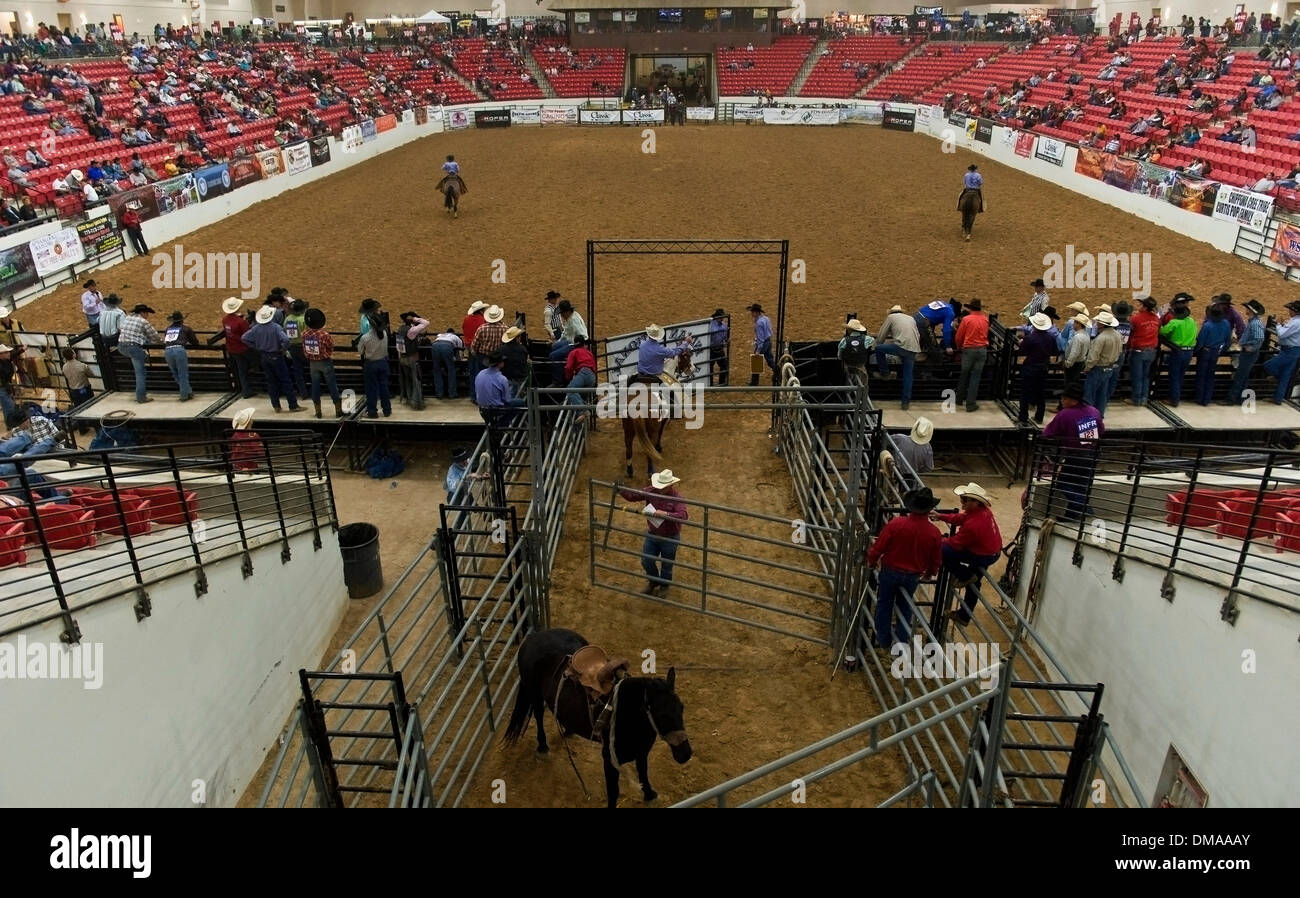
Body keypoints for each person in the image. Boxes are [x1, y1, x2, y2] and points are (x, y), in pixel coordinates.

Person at [866, 486, 943, 649]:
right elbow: (935, 558)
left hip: (890, 571)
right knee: (905, 606)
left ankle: (883, 639)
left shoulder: (897, 524)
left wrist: (871, 560)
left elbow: (880, 545)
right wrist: (930, 573)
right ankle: (901, 642)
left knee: (884, 604)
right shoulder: (934, 532)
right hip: (912, 575)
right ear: (929, 509)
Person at [934, 482, 1003, 626]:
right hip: (991, 551)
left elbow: (955, 544)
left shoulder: (974, 525)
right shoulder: (981, 512)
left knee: (943, 550)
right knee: (975, 582)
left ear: (976, 502)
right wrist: (941, 516)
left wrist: (942, 539)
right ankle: (964, 615)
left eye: (965, 499)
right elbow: (961, 518)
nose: (961, 501)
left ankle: (964, 575)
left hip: (982, 554)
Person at [619, 469, 688, 598]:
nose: (659, 488)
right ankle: (654, 581)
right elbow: (634, 496)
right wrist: (622, 490)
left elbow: (683, 515)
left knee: (667, 565)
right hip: (653, 534)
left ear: (670, 485)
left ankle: (663, 586)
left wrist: (666, 514)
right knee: (646, 560)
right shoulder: (652, 490)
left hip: (670, 536)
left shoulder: (677, 498)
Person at [1042, 382, 1104, 522]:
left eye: (1064, 398)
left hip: (1076, 454)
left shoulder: (1065, 414)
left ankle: (1082, 506)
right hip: (1092, 452)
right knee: (1081, 485)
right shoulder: (1093, 411)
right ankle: (1073, 514)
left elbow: (1048, 433)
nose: (1061, 401)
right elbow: (1100, 431)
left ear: (1072, 399)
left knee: (1063, 483)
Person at [244, 305, 303, 413]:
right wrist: (282, 349)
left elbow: (244, 338)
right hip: (276, 356)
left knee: (271, 382)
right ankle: (293, 405)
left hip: (264, 357)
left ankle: (276, 405)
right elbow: (285, 340)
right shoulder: (275, 327)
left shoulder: (255, 328)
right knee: (286, 381)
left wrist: (256, 346)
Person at [875, 304, 921, 409]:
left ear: (891, 312)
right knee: (908, 375)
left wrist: (878, 344)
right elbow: (917, 334)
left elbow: (882, 334)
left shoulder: (891, 317)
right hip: (913, 348)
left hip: (901, 346)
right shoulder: (910, 318)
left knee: (879, 349)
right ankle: (905, 402)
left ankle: (885, 373)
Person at [301, 308, 343, 419]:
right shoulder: (324, 334)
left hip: (313, 363)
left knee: (315, 386)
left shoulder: (305, 333)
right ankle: (338, 410)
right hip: (324, 362)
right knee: (332, 385)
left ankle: (318, 411)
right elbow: (330, 346)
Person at [1224, 299, 1267, 405]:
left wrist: (1250, 348)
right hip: (1248, 353)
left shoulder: (1255, 323)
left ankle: (1231, 400)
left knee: (1239, 377)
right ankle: (1241, 399)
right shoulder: (1254, 322)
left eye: (1247, 308)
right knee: (1243, 377)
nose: (1246, 310)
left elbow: (1259, 338)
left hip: (1249, 354)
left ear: (1251, 310)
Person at [116, 303, 161, 404]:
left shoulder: (127, 318)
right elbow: (154, 336)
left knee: (138, 364)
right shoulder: (143, 322)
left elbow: (121, 328)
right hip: (133, 347)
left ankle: (143, 355)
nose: (147, 315)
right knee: (140, 373)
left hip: (121, 346)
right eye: (147, 313)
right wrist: (162, 342)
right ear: (143, 313)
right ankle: (141, 397)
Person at [1018, 312, 1057, 425]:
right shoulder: (1051, 338)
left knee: (1025, 392)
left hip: (1030, 366)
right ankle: (1039, 416)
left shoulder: (1030, 338)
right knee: (1040, 392)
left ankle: (1023, 417)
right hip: (1043, 367)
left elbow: (1022, 352)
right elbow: (1054, 351)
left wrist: (1021, 343)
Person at [1082, 310, 1122, 417]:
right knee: (1102, 394)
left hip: (1098, 368)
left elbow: (1093, 357)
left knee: (1089, 395)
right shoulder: (1118, 335)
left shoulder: (1101, 338)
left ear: (1102, 324)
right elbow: (1119, 351)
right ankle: (1099, 416)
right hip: (1109, 367)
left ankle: (1088, 417)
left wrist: (1087, 368)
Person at [1159, 302, 1197, 407]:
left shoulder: (1174, 322)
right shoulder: (1191, 321)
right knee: (1180, 375)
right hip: (1189, 351)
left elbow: (1162, 332)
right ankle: (1176, 397)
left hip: (1177, 351)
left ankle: (1174, 400)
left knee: (1174, 376)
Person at [954, 298, 989, 412]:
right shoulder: (985, 320)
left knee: (964, 374)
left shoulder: (966, 319)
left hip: (969, 350)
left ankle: (959, 399)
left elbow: (959, 337)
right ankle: (970, 404)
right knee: (975, 377)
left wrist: (959, 348)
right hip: (982, 350)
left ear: (970, 308)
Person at [1192, 304, 1231, 406]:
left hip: (1205, 352)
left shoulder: (1207, 325)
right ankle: (1207, 399)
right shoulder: (1226, 324)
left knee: (1201, 375)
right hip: (1216, 352)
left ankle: (1199, 398)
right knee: (1210, 376)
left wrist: (1195, 352)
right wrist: (1222, 351)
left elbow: (1200, 341)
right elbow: (1228, 340)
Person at [357, 311, 393, 419]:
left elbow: (360, 351)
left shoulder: (365, 337)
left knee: (371, 389)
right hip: (383, 362)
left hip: (371, 364)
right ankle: (387, 410)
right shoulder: (385, 334)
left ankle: (372, 411)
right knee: (384, 387)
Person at [1264, 300, 1300, 404]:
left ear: (1294, 311)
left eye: (1290, 309)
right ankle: (1278, 399)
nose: (1289, 311)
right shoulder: (1296, 322)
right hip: (1294, 350)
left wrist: (1279, 325)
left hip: (1289, 350)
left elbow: (1282, 334)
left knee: (1269, 365)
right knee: (1285, 375)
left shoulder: (1295, 322)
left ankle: (1276, 377)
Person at [475, 352, 525, 425]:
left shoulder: (480, 374)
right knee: (521, 403)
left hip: (482, 409)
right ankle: (502, 424)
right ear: (500, 364)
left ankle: (494, 425)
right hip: (495, 409)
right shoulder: (501, 379)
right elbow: (506, 400)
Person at [1127, 297, 1160, 405]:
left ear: (1145, 307)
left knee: (1137, 376)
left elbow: (1130, 331)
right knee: (1146, 376)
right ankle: (1144, 398)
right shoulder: (1156, 318)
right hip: (1151, 351)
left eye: (1140, 305)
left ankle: (1136, 399)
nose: (1138, 306)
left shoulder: (1136, 319)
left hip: (1139, 350)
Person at [220, 297, 254, 398]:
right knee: (249, 365)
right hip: (242, 348)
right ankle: (247, 390)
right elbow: (248, 336)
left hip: (232, 348)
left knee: (240, 369)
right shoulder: (241, 322)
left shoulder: (225, 320)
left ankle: (245, 389)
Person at [161, 310, 199, 401]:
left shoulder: (168, 329)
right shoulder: (186, 329)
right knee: (183, 374)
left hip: (168, 350)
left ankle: (188, 391)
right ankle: (184, 395)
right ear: (182, 320)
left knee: (175, 373)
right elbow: (194, 342)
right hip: (179, 350)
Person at [396, 310, 429, 410]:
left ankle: (409, 399)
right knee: (416, 380)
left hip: (402, 357)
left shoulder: (401, 329)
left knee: (407, 379)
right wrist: (416, 317)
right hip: (411, 358)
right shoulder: (411, 331)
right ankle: (417, 403)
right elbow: (426, 323)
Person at [548, 300, 587, 380]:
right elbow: (565, 333)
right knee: (554, 346)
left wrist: (576, 345)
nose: (561, 315)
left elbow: (583, 336)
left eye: (562, 313)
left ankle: (558, 380)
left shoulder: (574, 321)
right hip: (570, 342)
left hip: (575, 345)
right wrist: (558, 342)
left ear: (566, 312)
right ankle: (561, 371)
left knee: (553, 356)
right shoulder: (572, 317)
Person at [890, 417, 934, 482]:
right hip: (912, 476)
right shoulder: (928, 447)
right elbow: (929, 467)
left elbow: (884, 439)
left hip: (895, 472)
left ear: (915, 427)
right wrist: (918, 470)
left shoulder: (899, 438)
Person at [283, 299, 309, 399]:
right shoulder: (303, 320)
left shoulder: (288, 319)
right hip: (304, 346)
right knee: (311, 367)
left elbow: (285, 331)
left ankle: (303, 392)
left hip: (293, 347)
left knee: (298, 371)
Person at [429, 327, 463, 400]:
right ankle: (452, 393)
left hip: (435, 346)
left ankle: (439, 393)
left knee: (436, 370)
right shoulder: (455, 337)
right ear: (453, 333)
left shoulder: (440, 335)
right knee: (451, 370)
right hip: (447, 346)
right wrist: (459, 361)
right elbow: (459, 351)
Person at [564, 337, 597, 408]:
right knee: (581, 398)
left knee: (570, 390)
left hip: (583, 373)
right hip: (592, 377)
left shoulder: (574, 352)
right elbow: (594, 367)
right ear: (583, 344)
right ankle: (583, 414)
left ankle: (582, 412)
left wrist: (569, 377)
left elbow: (568, 367)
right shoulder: (589, 353)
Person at [462, 300, 488, 393]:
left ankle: (473, 394)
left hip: (469, 348)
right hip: (478, 349)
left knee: (472, 371)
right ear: (481, 310)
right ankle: (479, 394)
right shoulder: (483, 320)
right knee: (479, 372)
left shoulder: (466, 319)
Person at [229, 407, 265, 473]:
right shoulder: (253, 435)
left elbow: (232, 449)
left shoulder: (235, 435)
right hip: (251, 466)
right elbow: (261, 452)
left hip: (237, 465)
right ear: (250, 421)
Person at [499, 325, 529, 396]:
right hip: (519, 379)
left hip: (506, 378)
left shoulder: (502, 349)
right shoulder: (522, 349)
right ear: (517, 338)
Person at [748, 303, 772, 385]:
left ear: (757, 313)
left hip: (763, 343)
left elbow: (761, 338)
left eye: (753, 312)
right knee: (770, 360)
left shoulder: (759, 323)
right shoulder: (766, 318)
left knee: (756, 361)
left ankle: (754, 382)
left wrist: (758, 350)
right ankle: (778, 371)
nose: (751, 313)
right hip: (768, 341)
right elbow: (769, 331)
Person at [708, 308, 729, 386]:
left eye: (722, 317)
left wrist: (727, 340)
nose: (722, 318)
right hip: (711, 349)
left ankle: (722, 383)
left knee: (724, 366)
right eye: (720, 317)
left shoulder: (724, 326)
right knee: (709, 367)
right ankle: (710, 384)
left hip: (719, 348)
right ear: (716, 317)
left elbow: (725, 337)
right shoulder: (711, 325)